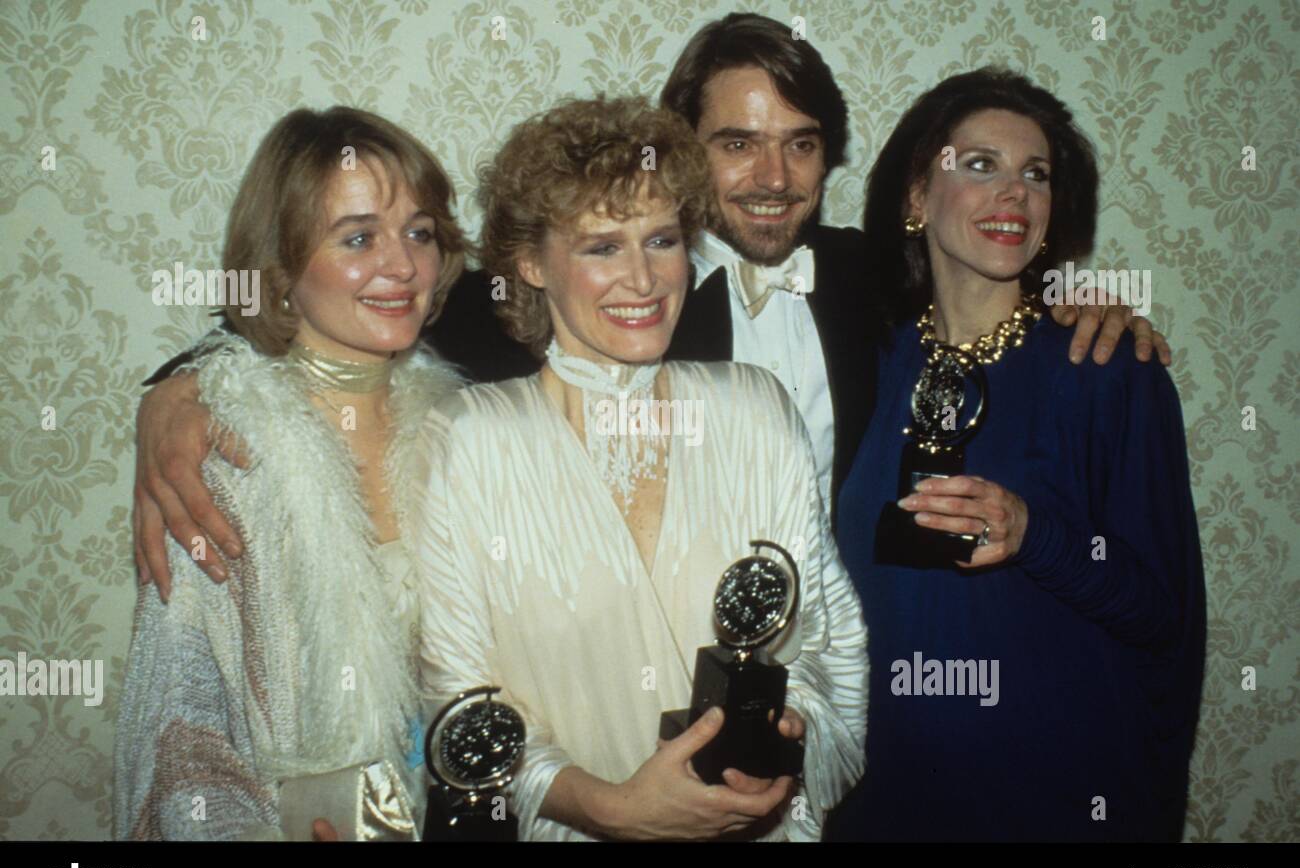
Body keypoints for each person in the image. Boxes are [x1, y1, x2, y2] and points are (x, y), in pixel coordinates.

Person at [127, 13, 1168, 596]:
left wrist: (1080, 293)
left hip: (855, 683)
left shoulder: (865, 280)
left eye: (800, 142)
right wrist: (179, 383)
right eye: (735, 143)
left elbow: (980, 261)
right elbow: (373, 298)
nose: (772, 175)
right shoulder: (601, 290)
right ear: (678, 151)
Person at [414, 96, 868, 841]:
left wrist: (785, 740)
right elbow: (455, 695)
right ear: (530, 261)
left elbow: (830, 645)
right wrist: (608, 806)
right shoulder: (469, 438)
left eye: (661, 239)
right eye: (601, 247)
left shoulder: (757, 410)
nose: (644, 278)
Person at [828, 68, 1206, 841]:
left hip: (1052, 799)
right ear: (913, 196)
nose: (1015, 193)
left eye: (1036, 174)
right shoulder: (867, 360)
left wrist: (1038, 534)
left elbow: (1164, 613)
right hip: (885, 798)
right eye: (979, 165)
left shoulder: (1110, 370)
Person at [113, 107, 467, 840]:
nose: (402, 265)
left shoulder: (466, 424)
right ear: (278, 269)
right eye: (358, 237)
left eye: (420, 232)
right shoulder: (220, 451)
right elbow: (183, 732)